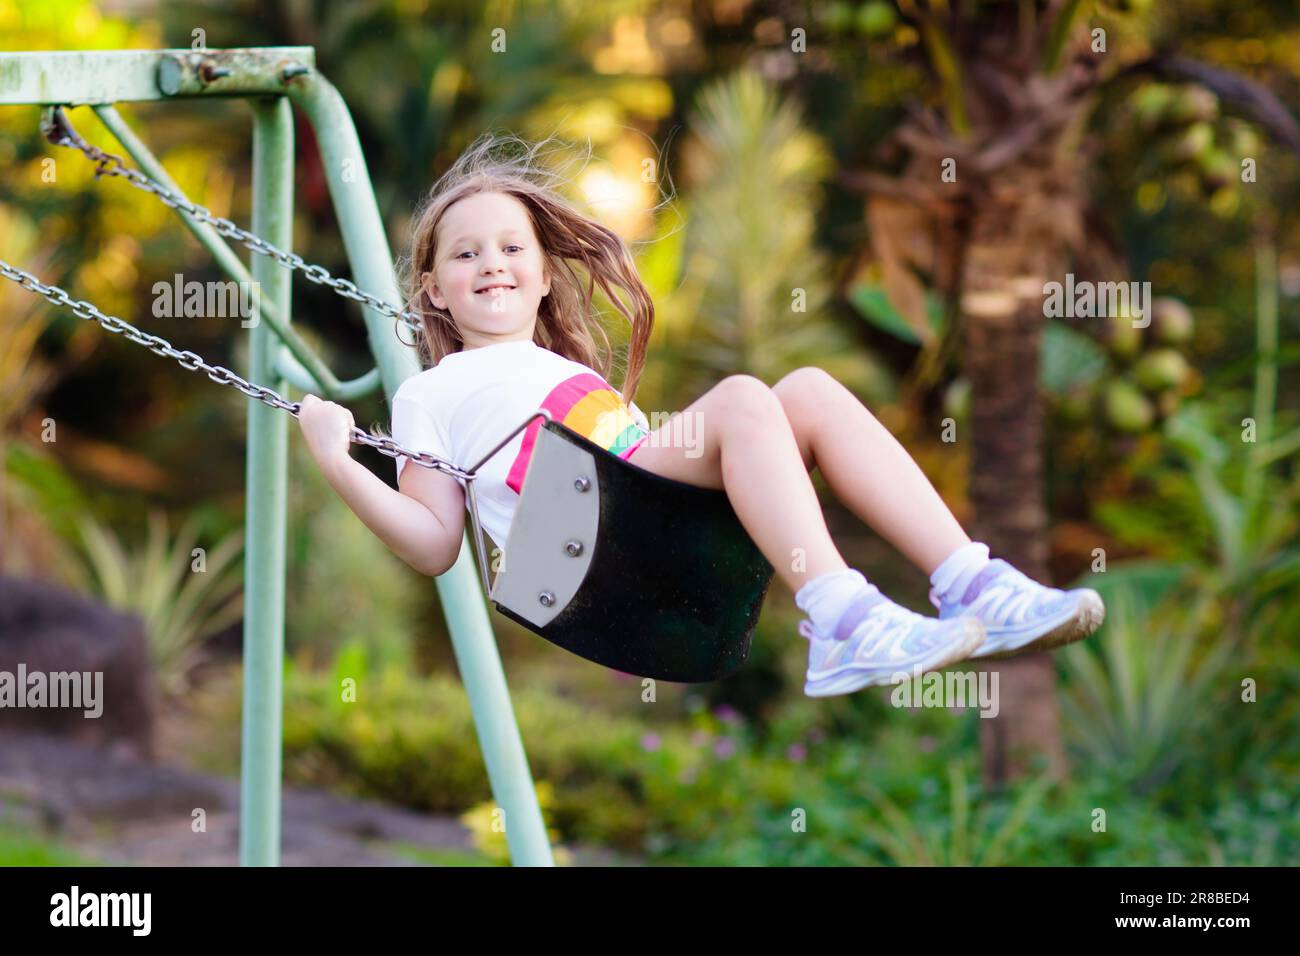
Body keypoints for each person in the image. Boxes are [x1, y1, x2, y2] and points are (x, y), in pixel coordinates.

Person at [297, 131, 1104, 697]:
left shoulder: (559, 369)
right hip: (570, 538)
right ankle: (841, 619)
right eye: (465, 253)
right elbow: (437, 546)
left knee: (809, 392)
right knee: (748, 398)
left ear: (546, 276)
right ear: (433, 288)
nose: (492, 264)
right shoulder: (426, 391)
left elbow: (641, 448)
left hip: (644, 499)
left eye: (512, 248)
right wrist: (338, 458)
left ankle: (975, 585)